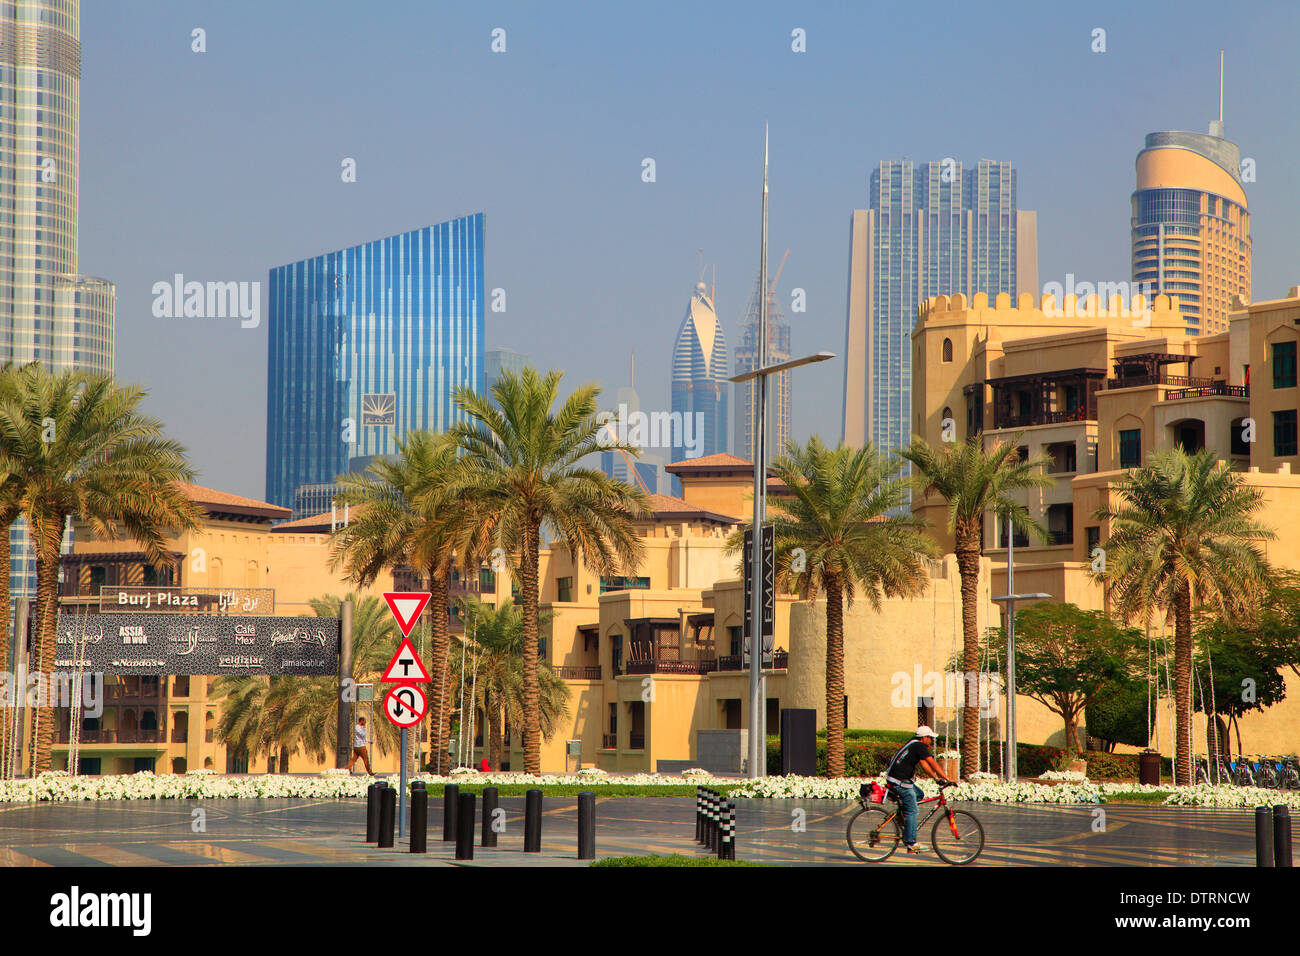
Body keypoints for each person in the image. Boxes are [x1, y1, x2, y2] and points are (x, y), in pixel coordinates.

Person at [884, 725, 956, 854]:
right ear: (924, 738)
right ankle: (911, 843)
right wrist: (946, 778)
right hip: (900, 782)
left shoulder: (913, 744)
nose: (931, 741)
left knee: (919, 794)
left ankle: (901, 816)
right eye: (929, 738)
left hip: (896, 780)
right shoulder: (919, 746)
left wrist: (935, 778)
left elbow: (924, 765)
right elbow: (932, 762)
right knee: (913, 811)